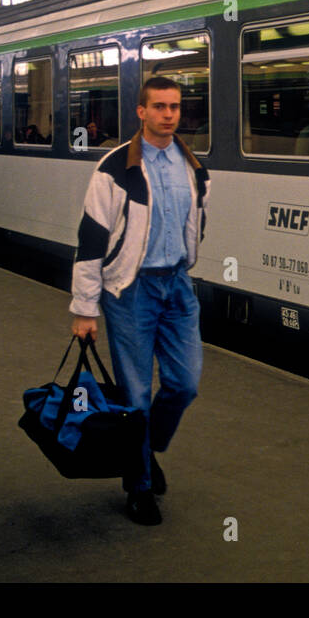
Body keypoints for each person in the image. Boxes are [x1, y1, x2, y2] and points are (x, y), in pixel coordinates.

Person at [69, 78, 210, 526]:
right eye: (160, 107)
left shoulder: (191, 165)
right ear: (141, 112)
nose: (170, 114)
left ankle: (146, 448)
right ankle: (140, 486)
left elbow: (195, 220)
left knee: (184, 384)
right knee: (135, 394)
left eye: (175, 107)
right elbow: (91, 237)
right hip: (130, 291)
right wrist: (84, 308)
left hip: (177, 286)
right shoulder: (115, 168)